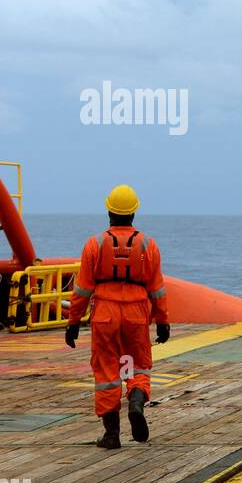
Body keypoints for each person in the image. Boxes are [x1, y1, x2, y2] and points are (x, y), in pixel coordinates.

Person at [65, 184, 169, 449]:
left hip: (105, 314)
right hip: (136, 313)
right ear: (134, 212)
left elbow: (82, 289)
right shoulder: (148, 244)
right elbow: (157, 289)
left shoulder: (95, 244)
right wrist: (163, 321)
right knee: (136, 365)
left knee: (107, 372)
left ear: (109, 209)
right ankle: (135, 401)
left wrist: (73, 322)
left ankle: (111, 434)